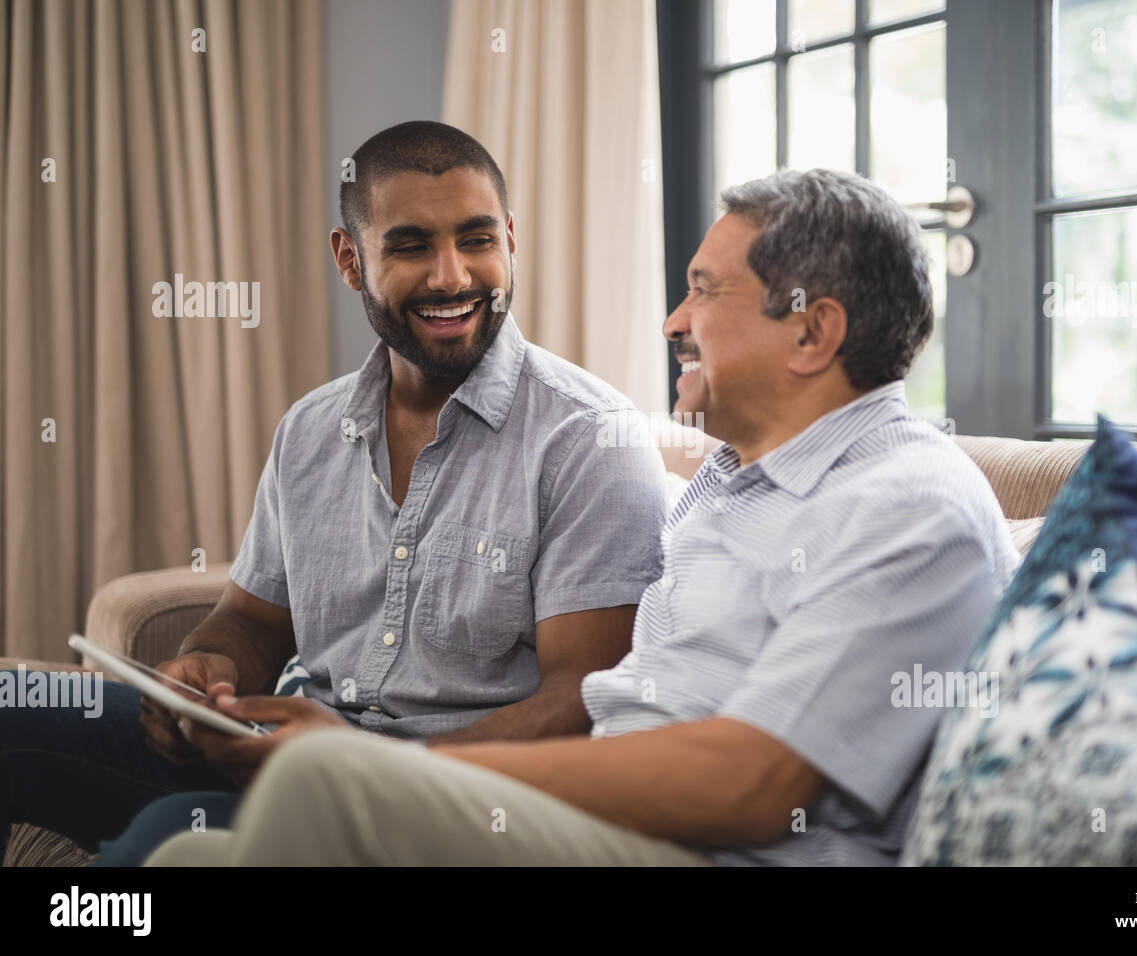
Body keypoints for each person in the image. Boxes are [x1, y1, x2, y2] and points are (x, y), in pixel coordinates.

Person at [145, 167, 1022, 867]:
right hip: (612, 820)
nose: (675, 321)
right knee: (187, 857)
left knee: (320, 785)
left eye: (705, 292)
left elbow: (755, 784)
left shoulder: (908, 506)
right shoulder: (738, 480)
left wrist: (398, 769)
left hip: (715, 850)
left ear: (810, 332)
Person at [0, 121, 667, 865]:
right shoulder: (310, 430)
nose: (452, 277)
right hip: (275, 758)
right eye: (411, 246)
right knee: (12, 710)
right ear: (350, 260)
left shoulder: (587, 439)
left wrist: (347, 767)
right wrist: (204, 669)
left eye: (477, 240)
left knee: (168, 839)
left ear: (510, 239)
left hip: (456, 804)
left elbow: (585, 698)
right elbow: (249, 624)